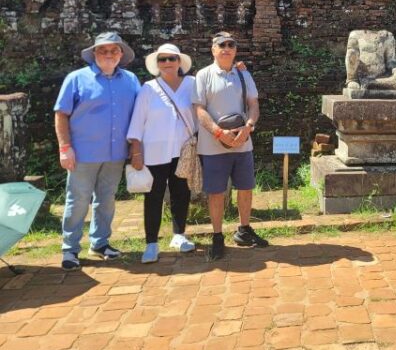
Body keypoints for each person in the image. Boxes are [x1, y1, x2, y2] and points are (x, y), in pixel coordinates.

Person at [54, 32, 141, 271]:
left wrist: (136, 149)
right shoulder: (77, 79)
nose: (109, 54)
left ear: (121, 54)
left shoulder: (131, 80)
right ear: (94, 53)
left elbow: (139, 115)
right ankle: (70, 248)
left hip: (115, 153)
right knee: (77, 201)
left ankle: (100, 243)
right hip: (82, 153)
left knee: (107, 200)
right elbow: (61, 114)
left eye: (114, 50)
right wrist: (65, 148)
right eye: (103, 50)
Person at [193, 31, 266, 260]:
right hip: (213, 144)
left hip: (242, 142)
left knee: (245, 188)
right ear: (213, 50)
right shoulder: (203, 75)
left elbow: (253, 104)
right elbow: (199, 109)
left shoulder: (243, 75)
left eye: (230, 44)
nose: (226, 48)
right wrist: (217, 132)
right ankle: (217, 236)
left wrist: (249, 126)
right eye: (221, 45)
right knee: (216, 192)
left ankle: (244, 230)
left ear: (235, 49)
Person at [126, 43, 196, 263]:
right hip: (154, 150)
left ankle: (179, 234)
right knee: (154, 195)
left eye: (171, 59)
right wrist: (135, 149)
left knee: (181, 192)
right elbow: (138, 120)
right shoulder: (149, 88)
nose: (167, 63)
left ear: (179, 62)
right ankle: (151, 243)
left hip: (183, 149)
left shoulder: (191, 84)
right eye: (162, 59)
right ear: (157, 64)